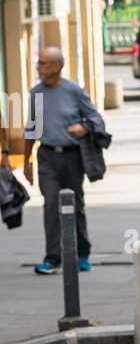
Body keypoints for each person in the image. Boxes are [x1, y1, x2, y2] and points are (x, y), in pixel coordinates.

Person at [22, 48, 104, 274]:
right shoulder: (36, 94)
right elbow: (31, 130)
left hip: (72, 156)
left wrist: (84, 127)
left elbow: (96, 118)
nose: (39, 67)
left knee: (75, 203)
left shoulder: (74, 91)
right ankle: (53, 258)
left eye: (43, 63)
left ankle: (83, 253)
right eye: (39, 63)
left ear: (57, 66)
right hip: (47, 156)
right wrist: (27, 161)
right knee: (50, 205)